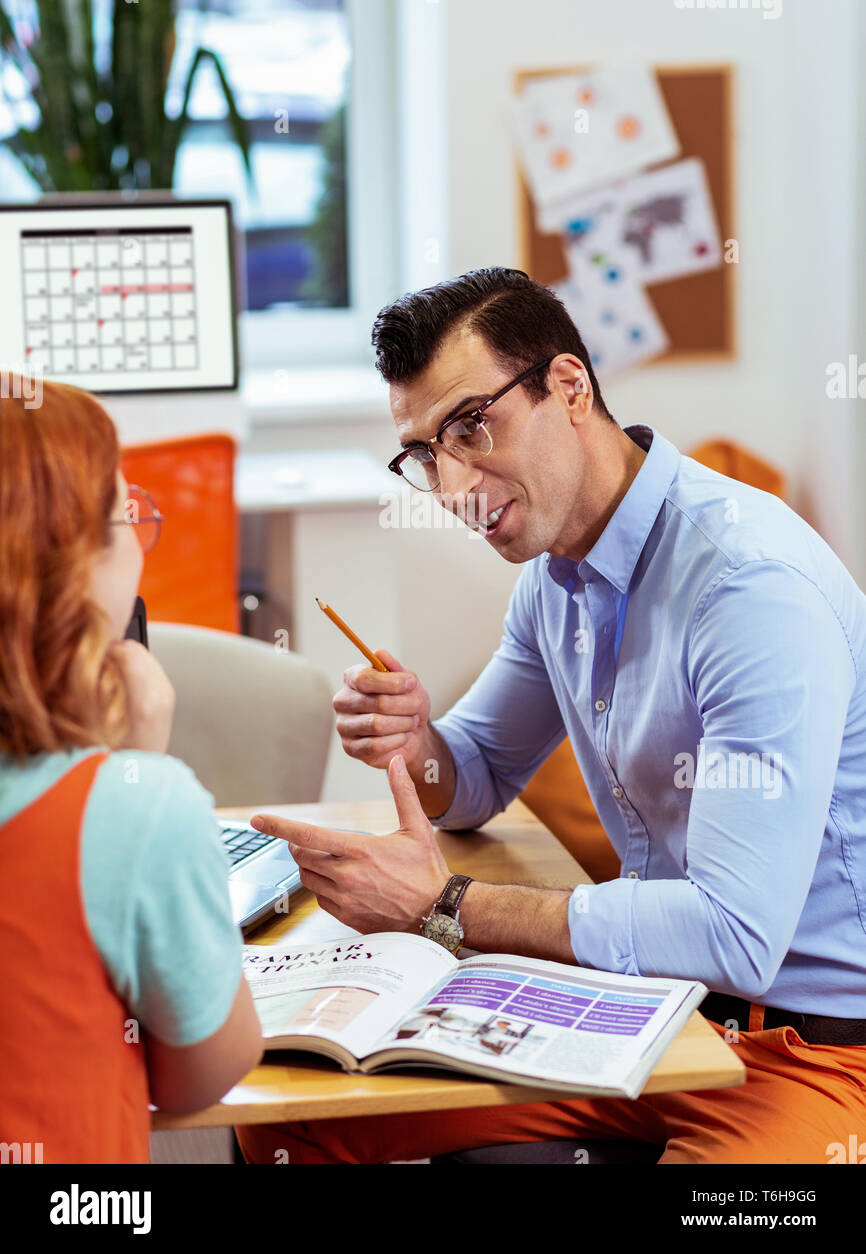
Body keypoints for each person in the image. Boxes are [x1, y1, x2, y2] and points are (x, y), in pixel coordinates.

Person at [237, 267, 866, 1165]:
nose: (450, 482)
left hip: (814, 1049)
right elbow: (477, 776)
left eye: (469, 427)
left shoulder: (747, 589)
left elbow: (735, 935)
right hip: (652, 1007)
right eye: (422, 454)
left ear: (568, 386)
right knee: (293, 1117)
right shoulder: (555, 579)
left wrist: (446, 905)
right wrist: (418, 744)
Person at [0, 375, 262, 1163]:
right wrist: (139, 776)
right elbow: (201, 1075)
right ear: (74, 569)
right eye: (126, 517)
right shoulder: (138, 813)